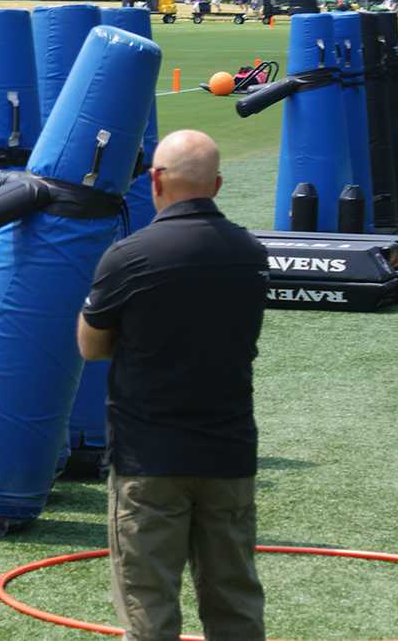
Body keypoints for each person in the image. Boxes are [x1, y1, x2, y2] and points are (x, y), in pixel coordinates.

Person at [77, 129, 267, 640]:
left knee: (149, 605)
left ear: (155, 181)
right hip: (228, 451)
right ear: (217, 184)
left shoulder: (130, 255)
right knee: (235, 601)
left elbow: (90, 345)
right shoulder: (249, 252)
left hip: (150, 456)